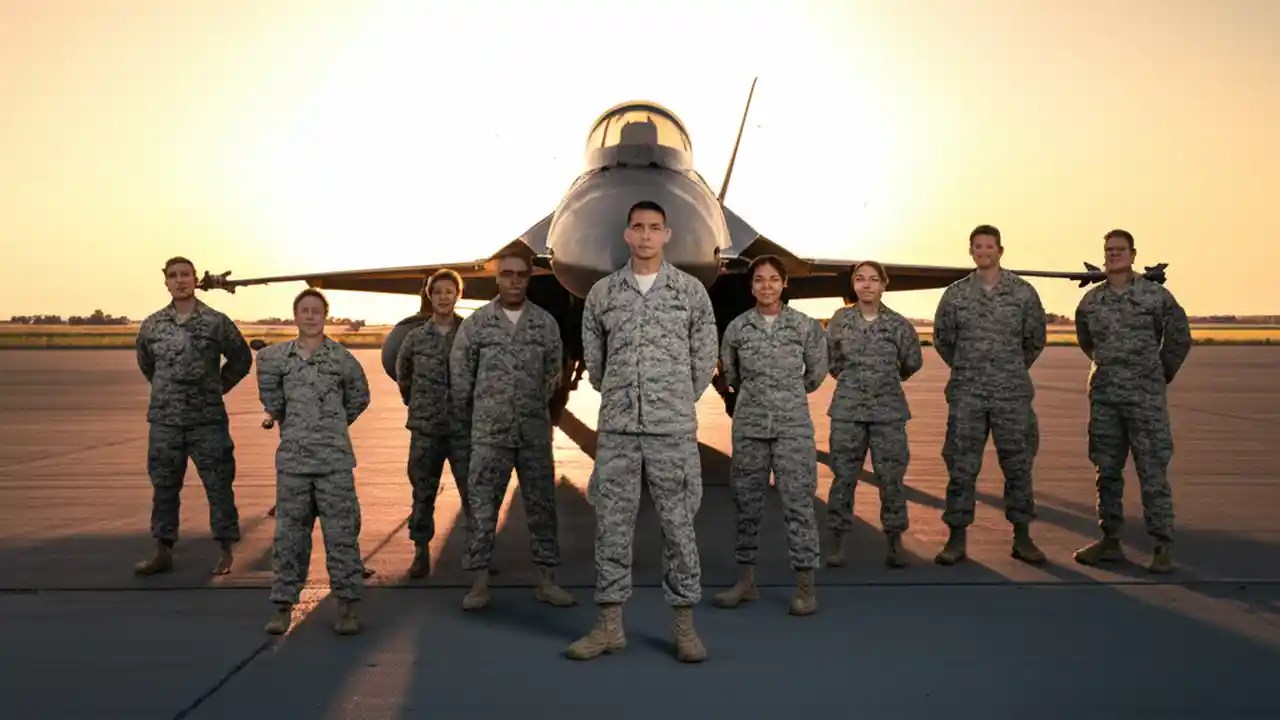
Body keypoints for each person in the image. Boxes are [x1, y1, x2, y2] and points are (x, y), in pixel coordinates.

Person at [566, 200, 718, 664]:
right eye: (638, 228)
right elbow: (595, 361)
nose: (647, 236)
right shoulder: (603, 294)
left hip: (672, 431)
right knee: (612, 527)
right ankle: (610, 627)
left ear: (667, 234)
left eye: (655, 228)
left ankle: (684, 629)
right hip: (618, 431)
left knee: (678, 527)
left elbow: (703, 358)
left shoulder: (690, 292)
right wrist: (621, 397)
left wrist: (672, 399)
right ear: (627, 235)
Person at [449, 250, 574, 611]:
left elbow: (556, 368)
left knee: (542, 506)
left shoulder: (544, 324)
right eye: (508, 274)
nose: (515, 280)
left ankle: (547, 580)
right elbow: (461, 375)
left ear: (529, 278)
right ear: (497, 277)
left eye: (521, 275)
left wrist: (535, 401)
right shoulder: (478, 324)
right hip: (490, 433)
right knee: (483, 507)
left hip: (533, 431)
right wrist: (479, 414)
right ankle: (479, 583)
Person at [712, 255, 827, 615]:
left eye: (773, 279)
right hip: (750, 428)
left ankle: (806, 587)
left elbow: (816, 373)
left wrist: (785, 395)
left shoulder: (805, 327)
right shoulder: (738, 328)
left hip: (792, 429)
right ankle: (746, 581)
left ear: (784, 284)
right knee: (747, 505)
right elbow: (729, 373)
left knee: (799, 505)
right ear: (751, 286)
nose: (766, 286)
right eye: (759, 280)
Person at [1072, 229, 1191, 573]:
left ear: (1133, 255)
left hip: (1145, 400)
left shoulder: (1155, 297)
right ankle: (1110, 540)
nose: (1113, 255)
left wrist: (1157, 374)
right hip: (1106, 398)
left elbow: (1179, 338)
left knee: (1152, 471)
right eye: (1108, 250)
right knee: (1106, 471)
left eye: (1120, 250)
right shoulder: (1091, 302)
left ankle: (1161, 545)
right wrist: (1109, 368)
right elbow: (1086, 341)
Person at [932, 225, 1048, 565]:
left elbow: (1035, 339)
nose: (983, 251)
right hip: (967, 394)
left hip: (1011, 394)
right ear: (971, 251)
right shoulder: (955, 295)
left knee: (1018, 464)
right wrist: (969, 368)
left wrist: (1008, 368)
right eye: (977, 246)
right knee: (961, 466)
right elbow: (942, 339)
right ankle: (956, 539)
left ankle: (1023, 537)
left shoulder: (1023, 292)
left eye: (989, 246)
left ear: (1000, 250)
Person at [258, 289, 371, 635]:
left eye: (316, 311)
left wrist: (331, 425)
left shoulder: (342, 359)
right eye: (304, 311)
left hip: (334, 463)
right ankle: (283, 606)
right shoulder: (278, 359)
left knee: (341, 536)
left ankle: (348, 606)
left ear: (325, 316)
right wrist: (298, 428)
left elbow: (359, 397)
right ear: (296, 316)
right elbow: (274, 401)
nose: (310, 316)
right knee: (289, 536)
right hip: (293, 463)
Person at [134, 256, 251, 576]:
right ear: (166, 282)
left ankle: (226, 549)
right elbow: (147, 364)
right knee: (164, 486)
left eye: (185, 275)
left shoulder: (216, 321)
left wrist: (216, 387)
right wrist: (166, 390)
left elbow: (241, 359)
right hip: (165, 421)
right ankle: (162, 549)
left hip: (207, 420)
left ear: (195, 279)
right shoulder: (153, 325)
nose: (180, 280)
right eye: (173, 276)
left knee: (218, 485)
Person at [825, 260, 923, 568]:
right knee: (843, 478)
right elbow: (832, 361)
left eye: (873, 279)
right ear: (853, 285)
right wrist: (856, 381)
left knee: (891, 479)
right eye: (860, 279)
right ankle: (837, 542)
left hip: (888, 413)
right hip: (848, 412)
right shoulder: (840, 321)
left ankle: (894, 541)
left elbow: (911, 362)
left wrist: (884, 381)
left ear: (884, 284)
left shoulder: (898, 325)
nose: (866, 285)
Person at [395, 269, 472, 578]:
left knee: (472, 492)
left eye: (449, 291)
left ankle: (477, 553)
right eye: (437, 291)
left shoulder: (470, 334)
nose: (443, 296)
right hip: (426, 430)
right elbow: (404, 376)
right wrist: (419, 406)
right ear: (430, 295)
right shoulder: (415, 338)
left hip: (462, 429)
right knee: (422, 492)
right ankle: (420, 551)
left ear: (457, 295)